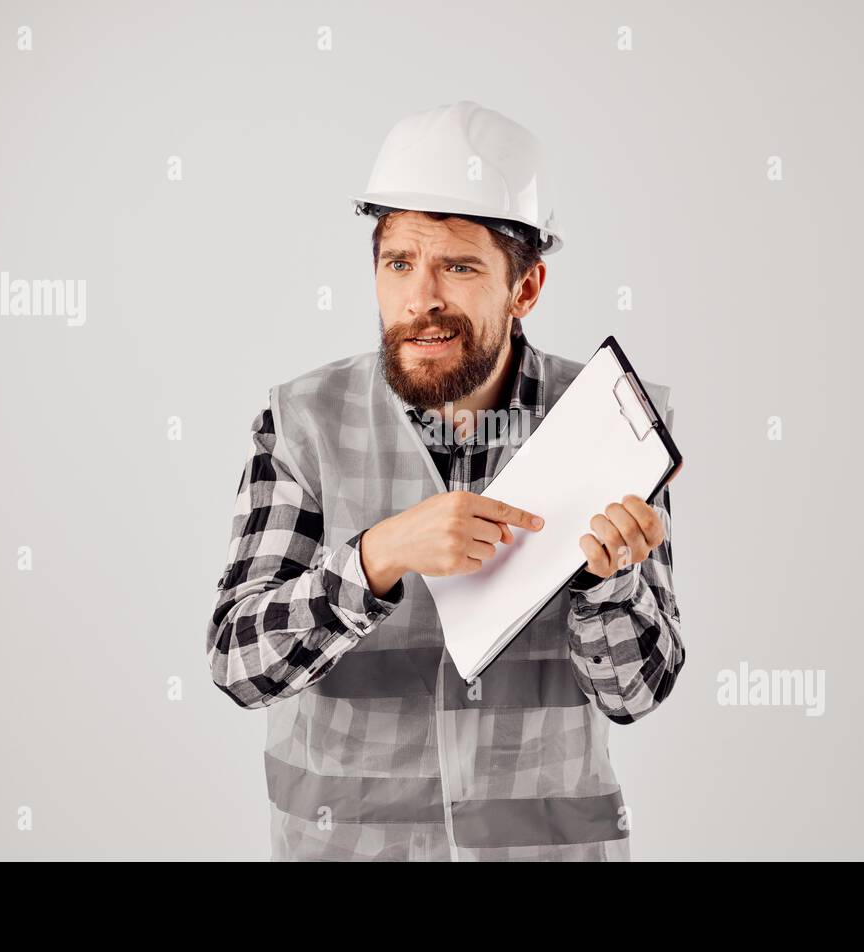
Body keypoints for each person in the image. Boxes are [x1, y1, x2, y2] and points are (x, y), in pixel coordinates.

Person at [205, 101, 684, 861]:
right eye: (399, 263)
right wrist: (377, 557)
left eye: (458, 267)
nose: (420, 298)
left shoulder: (606, 424)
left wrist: (608, 585)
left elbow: (636, 694)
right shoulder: (302, 423)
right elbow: (239, 664)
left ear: (525, 289)